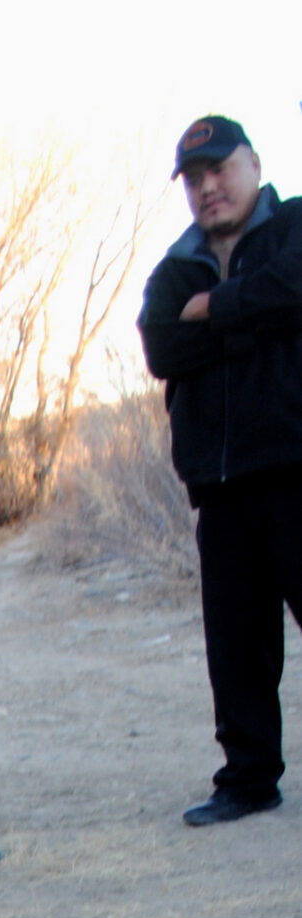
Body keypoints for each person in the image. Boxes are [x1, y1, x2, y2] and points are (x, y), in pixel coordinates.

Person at [138, 116, 302, 828]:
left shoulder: (294, 226)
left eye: (220, 169)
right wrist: (258, 313)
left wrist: (219, 308)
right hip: (221, 485)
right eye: (194, 178)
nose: (208, 187)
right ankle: (248, 778)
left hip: (298, 469)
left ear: (254, 165)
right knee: (236, 645)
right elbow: (165, 346)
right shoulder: (175, 268)